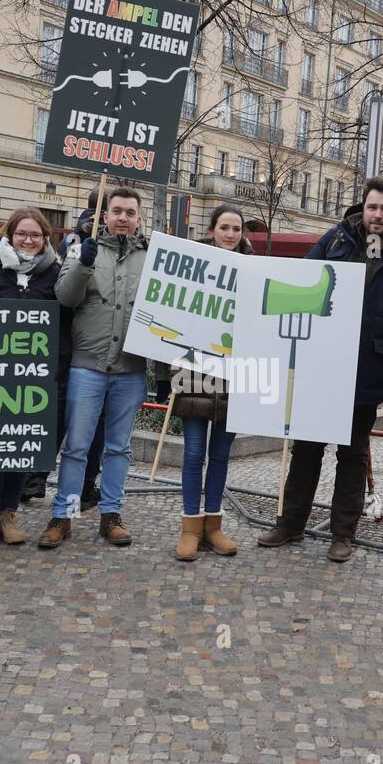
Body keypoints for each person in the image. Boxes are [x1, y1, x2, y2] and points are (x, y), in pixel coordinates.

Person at [256, 175, 383, 562]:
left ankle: (343, 534)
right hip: (321, 366)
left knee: (352, 455)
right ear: (362, 206)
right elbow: (299, 286)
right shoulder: (335, 240)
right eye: (372, 206)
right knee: (306, 450)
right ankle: (291, 524)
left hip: (368, 370)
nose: (377, 215)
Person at [38, 186, 149, 549]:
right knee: (77, 447)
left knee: (118, 448)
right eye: (117, 211)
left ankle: (111, 516)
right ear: (105, 215)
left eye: (130, 212)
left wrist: (162, 373)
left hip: (130, 370)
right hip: (88, 365)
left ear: (138, 218)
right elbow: (65, 297)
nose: (123, 218)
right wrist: (84, 264)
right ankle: (63, 515)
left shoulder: (151, 258)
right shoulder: (82, 250)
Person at [0, 207, 62, 549]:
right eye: (22, 234)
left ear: (45, 239)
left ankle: (9, 512)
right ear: (8, 235)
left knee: (21, 446)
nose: (28, 240)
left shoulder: (54, 275)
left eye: (35, 235)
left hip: (33, 376)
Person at [172, 204, 247, 561]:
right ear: (213, 229)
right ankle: (190, 526)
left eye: (236, 229)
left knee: (219, 456)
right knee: (192, 452)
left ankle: (213, 526)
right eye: (224, 228)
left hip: (236, 376)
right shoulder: (194, 267)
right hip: (195, 372)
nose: (230, 234)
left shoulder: (256, 271)